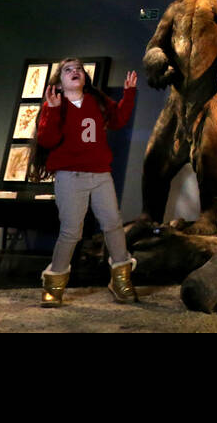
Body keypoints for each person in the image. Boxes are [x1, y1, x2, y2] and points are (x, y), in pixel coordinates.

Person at [31, 58, 138, 306]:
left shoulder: (97, 101)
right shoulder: (56, 104)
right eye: (68, 70)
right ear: (60, 81)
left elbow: (119, 120)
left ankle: (121, 279)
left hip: (101, 175)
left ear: (84, 77)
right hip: (70, 176)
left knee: (113, 223)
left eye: (78, 68)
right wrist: (53, 108)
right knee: (71, 231)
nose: (75, 72)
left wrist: (129, 93)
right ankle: (54, 284)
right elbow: (47, 140)